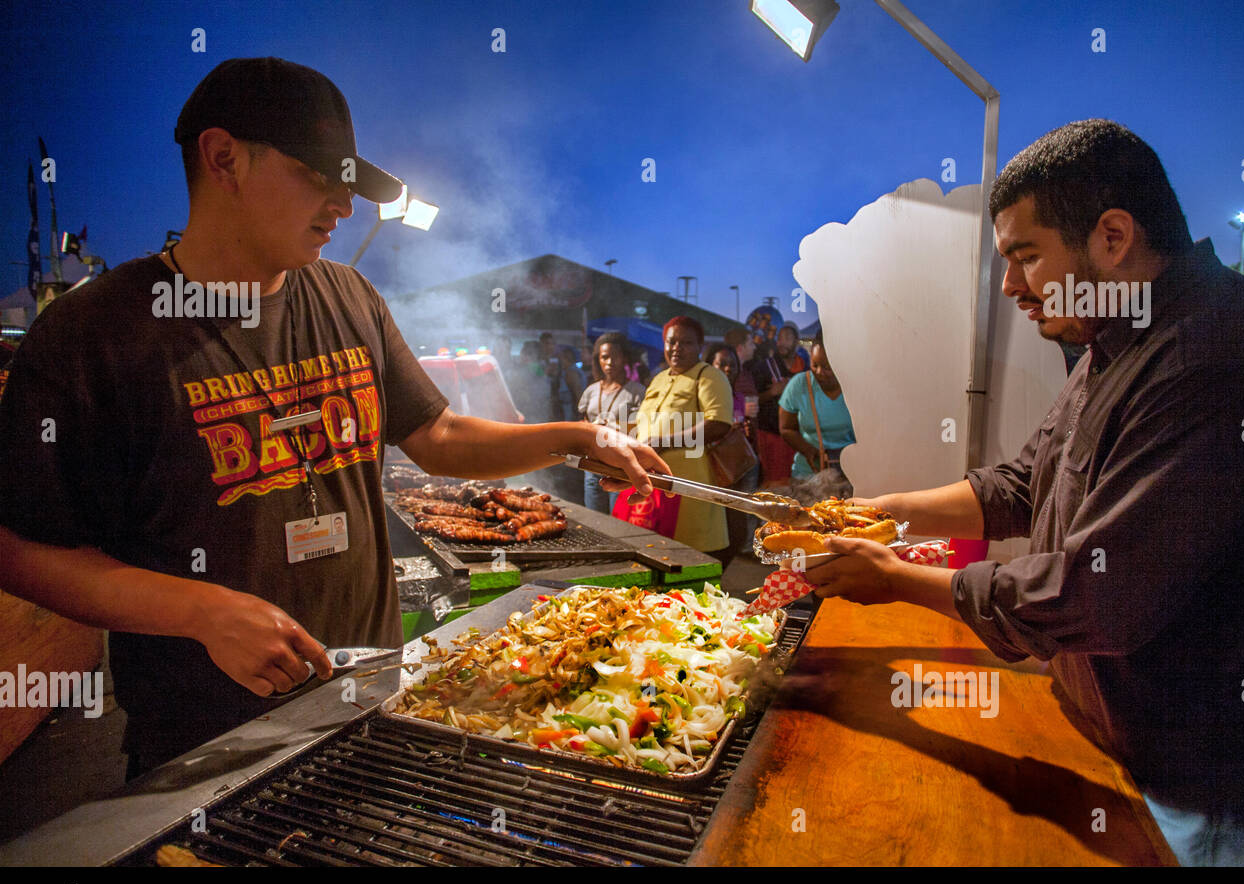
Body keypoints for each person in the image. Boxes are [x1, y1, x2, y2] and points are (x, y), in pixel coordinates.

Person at [0, 57, 667, 780]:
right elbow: (23, 550)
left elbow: (438, 437)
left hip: (371, 703)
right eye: (316, 177)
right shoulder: (94, 333)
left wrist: (575, 437)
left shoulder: (351, 296)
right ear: (223, 158)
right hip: (205, 744)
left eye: (347, 184)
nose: (342, 207)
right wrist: (198, 611)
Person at [805, 119, 1244, 866]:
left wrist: (892, 578)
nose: (1010, 288)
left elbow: (1099, 593)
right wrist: (880, 512)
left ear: (1111, 237)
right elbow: (1021, 483)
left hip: (1213, 793)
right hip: (1115, 740)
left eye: (1024, 257)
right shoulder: (1113, 342)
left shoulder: (1221, 353)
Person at [633, 316, 734, 556]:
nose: (677, 348)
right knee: (651, 552)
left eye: (686, 342)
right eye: (671, 342)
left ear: (700, 347)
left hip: (689, 488)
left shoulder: (709, 376)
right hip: (652, 487)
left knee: (688, 555)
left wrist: (663, 443)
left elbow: (719, 424)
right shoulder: (658, 378)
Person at [778, 333, 855, 504]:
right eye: (815, 365)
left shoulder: (857, 386)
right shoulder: (799, 384)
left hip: (852, 474)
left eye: (827, 367)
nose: (820, 372)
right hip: (808, 476)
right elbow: (786, 428)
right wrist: (808, 451)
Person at [576, 332, 644, 513]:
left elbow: (642, 428)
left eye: (615, 356)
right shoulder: (591, 391)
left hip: (620, 465)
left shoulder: (637, 392)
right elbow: (584, 421)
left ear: (625, 358)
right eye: (604, 357)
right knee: (593, 516)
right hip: (592, 464)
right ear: (598, 359)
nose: (609, 362)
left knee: (619, 516)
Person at [705, 342, 760, 561]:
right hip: (712, 472)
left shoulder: (738, 397)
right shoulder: (703, 395)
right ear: (710, 365)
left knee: (737, 532)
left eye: (733, 366)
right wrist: (725, 430)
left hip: (737, 468)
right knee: (720, 531)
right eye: (723, 364)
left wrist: (746, 430)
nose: (728, 369)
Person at [746, 322, 806, 488]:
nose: (782, 342)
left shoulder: (805, 367)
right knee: (773, 483)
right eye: (779, 338)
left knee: (796, 482)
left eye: (787, 338)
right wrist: (772, 392)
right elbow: (751, 400)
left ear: (796, 341)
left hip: (798, 435)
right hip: (771, 434)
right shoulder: (765, 367)